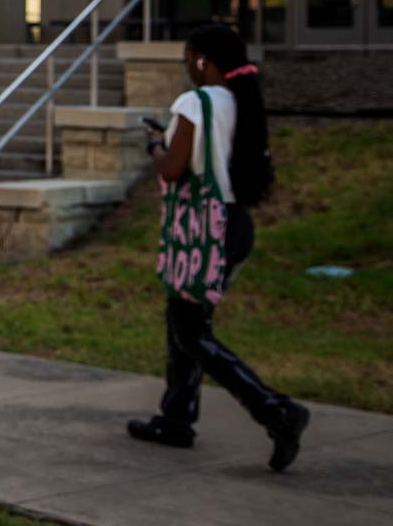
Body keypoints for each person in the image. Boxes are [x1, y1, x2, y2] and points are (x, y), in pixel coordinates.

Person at [129, 23, 310, 471]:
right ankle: (175, 418)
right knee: (183, 319)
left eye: (189, 57)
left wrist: (155, 145)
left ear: (203, 60)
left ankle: (275, 410)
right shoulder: (240, 101)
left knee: (191, 333)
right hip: (234, 226)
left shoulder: (195, 102)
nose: (187, 66)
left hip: (203, 231)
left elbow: (173, 169)